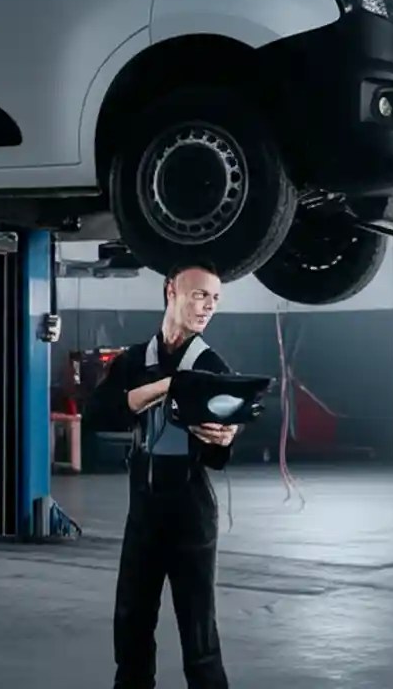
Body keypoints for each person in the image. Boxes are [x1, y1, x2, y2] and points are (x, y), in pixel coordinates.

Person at [84, 261, 239, 689]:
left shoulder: (213, 366)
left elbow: (217, 454)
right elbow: (96, 413)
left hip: (191, 515)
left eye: (214, 298)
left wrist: (224, 436)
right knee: (130, 630)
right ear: (171, 291)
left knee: (199, 640)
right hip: (144, 512)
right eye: (199, 295)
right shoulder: (135, 361)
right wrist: (165, 389)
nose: (207, 306)